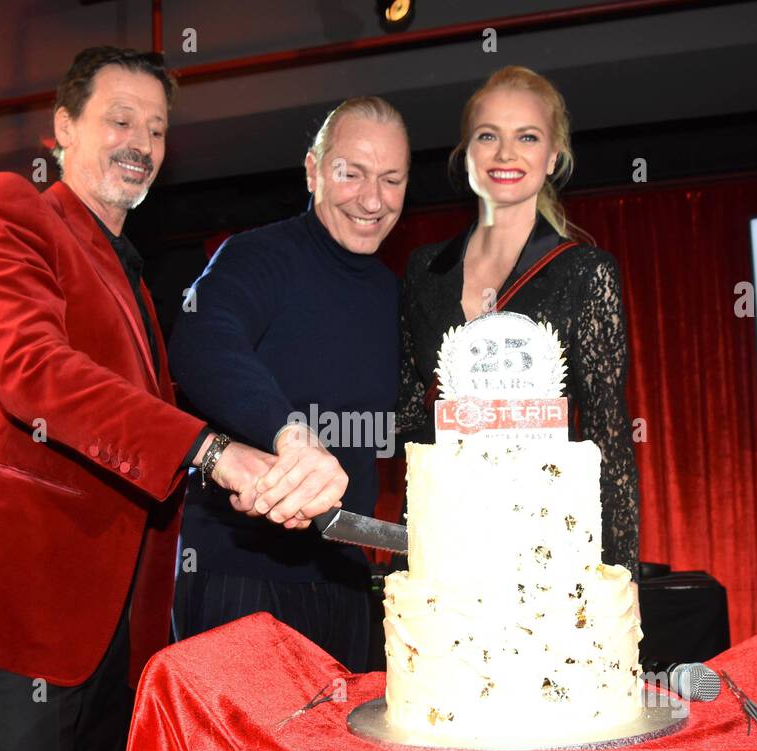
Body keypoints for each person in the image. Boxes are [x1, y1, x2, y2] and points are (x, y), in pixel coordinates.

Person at [0, 47, 302, 751]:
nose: (141, 142)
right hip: (16, 612)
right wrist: (213, 450)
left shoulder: (130, 277)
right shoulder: (7, 207)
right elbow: (36, 374)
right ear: (63, 129)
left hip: (109, 636)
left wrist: (258, 471)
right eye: (120, 119)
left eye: (156, 129)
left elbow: (141, 438)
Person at [168, 97, 409, 672]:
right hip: (241, 579)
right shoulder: (256, 256)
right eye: (351, 173)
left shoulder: (390, 292)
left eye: (391, 179)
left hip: (347, 578)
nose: (372, 200)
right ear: (313, 171)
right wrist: (289, 434)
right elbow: (200, 342)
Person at [397, 66, 640, 573]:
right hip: (447, 539)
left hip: (548, 545)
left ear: (552, 156)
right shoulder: (423, 270)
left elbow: (608, 437)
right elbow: (409, 419)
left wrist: (622, 579)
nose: (505, 154)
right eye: (488, 136)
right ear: (465, 153)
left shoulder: (583, 272)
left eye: (527, 137)